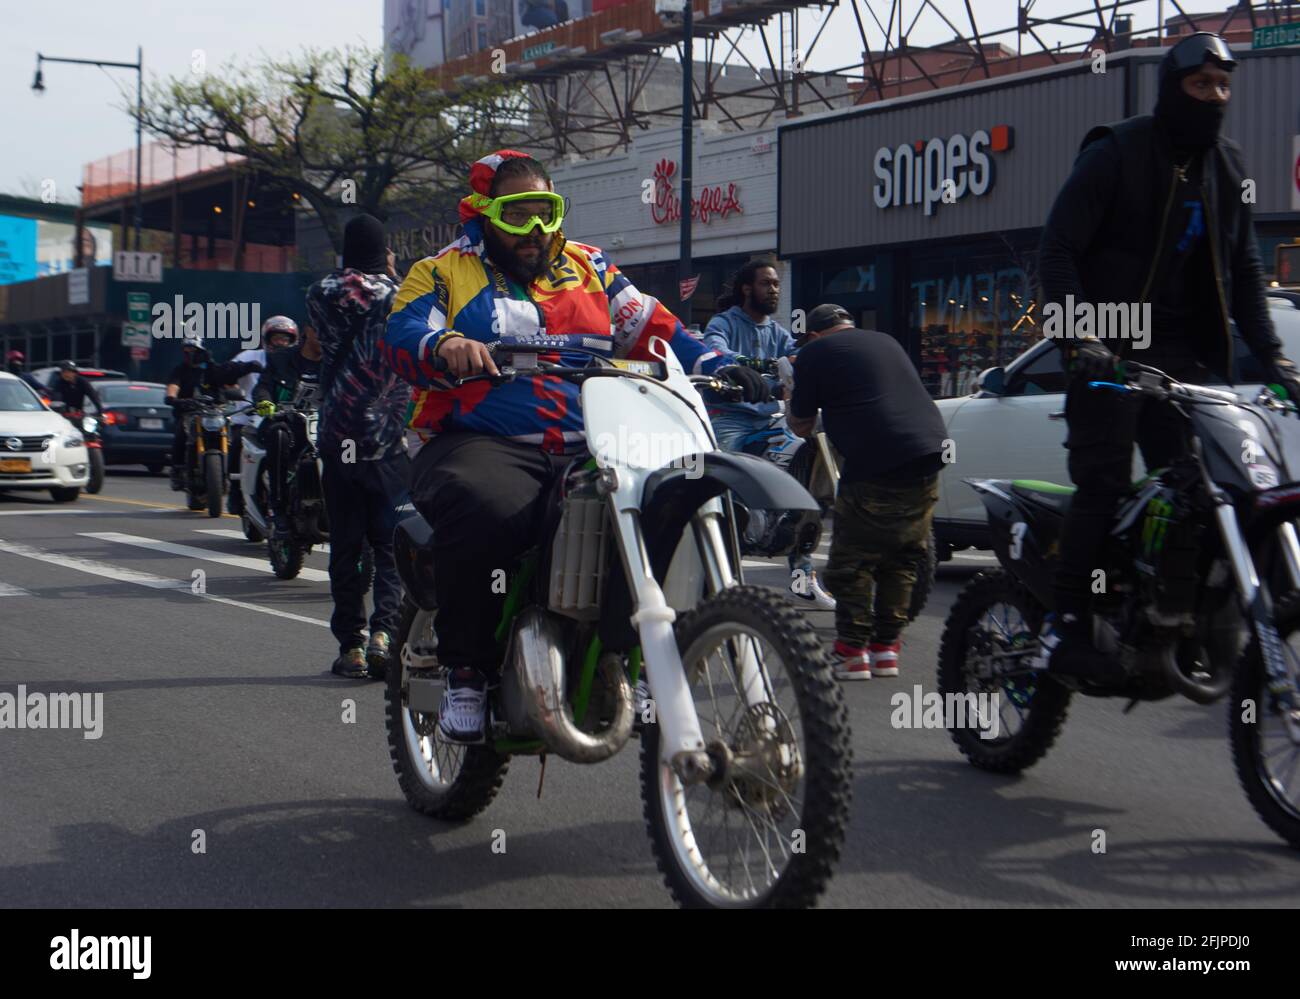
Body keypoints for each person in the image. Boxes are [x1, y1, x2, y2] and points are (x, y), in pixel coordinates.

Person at [381, 149, 758, 742]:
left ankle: (627, 652)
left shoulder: (592, 267)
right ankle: (466, 673)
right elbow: (403, 334)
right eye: (517, 214)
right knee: (489, 510)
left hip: (597, 436)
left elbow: (654, 326)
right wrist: (444, 345)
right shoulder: (441, 271)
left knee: (661, 502)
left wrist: (715, 361)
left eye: (546, 212)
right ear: (484, 214)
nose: (535, 229)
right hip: (476, 439)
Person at [1036, 31, 1300, 683]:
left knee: (1196, 489)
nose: (1215, 96)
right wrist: (1082, 340)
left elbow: (1245, 270)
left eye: (1224, 85)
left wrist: (1274, 360)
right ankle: (1063, 624)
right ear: (1172, 88)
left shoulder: (1228, 166)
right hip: (1109, 347)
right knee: (1102, 482)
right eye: (1201, 84)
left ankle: (1175, 612)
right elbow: (1058, 249)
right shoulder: (1116, 153)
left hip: (1184, 354)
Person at [787, 304, 947, 681]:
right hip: (929, 450)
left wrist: (791, 387)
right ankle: (885, 649)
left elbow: (800, 426)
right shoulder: (885, 340)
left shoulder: (813, 352)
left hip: (876, 457)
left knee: (852, 562)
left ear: (813, 335)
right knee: (902, 556)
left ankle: (851, 652)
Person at [308, 215, 412, 680]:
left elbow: (315, 348)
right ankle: (384, 635)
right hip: (387, 439)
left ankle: (350, 646)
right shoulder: (398, 294)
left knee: (347, 546)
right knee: (391, 545)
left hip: (337, 436)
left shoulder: (318, 293)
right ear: (382, 249)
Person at [703, 257, 834, 610]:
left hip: (769, 418)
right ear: (747, 288)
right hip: (728, 418)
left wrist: (816, 355)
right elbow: (716, 351)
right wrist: (760, 367)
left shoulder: (778, 332)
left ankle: (802, 580)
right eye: (767, 283)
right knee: (723, 486)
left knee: (801, 482)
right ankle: (719, 579)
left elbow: (796, 357)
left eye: (776, 284)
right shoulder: (724, 322)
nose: (774, 290)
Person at [164, 334, 263, 491]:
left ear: (201, 351)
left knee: (235, 437)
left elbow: (230, 375)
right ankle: (177, 469)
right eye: (186, 351)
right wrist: (172, 398)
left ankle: (233, 474)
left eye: (193, 350)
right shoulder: (180, 370)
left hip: (215, 411)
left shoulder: (212, 369)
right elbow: (173, 386)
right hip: (191, 411)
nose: (189, 354)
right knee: (182, 430)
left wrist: (251, 366)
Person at [252, 322, 321, 540]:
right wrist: (265, 401)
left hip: (327, 426)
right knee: (278, 434)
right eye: (322, 330)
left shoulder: (336, 361)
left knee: (353, 444)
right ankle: (278, 506)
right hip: (288, 423)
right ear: (308, 331)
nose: (327, 336)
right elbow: (262, 386)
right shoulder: (280, 359)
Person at [227, 316, 297, 515]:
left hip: (289, 417)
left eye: (285, 339)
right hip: (250, 416)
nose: (281, 343)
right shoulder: (249, 356)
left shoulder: (295, 362)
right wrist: (241, 372)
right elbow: (227, 376)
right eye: (276, 338)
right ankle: (235, 491)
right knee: (238, 442)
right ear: (266, 339)